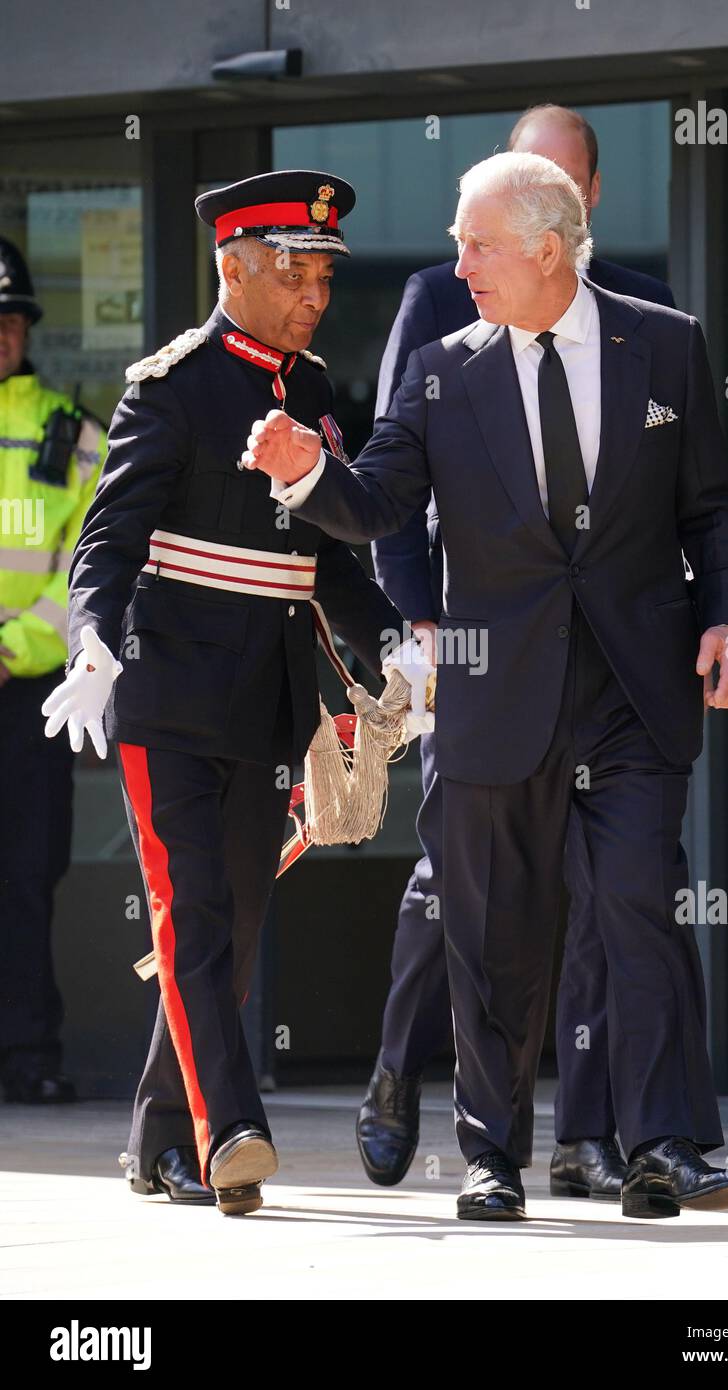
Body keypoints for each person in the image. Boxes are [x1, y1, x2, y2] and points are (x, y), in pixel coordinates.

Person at [245, 151, 728, 1221]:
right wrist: (303, 471)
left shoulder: (666, 346)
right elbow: (379, 502)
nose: (458, 262)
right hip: (495, 696)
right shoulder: (440, 369)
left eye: (476, 243)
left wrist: (725, 618)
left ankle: (664, 1143)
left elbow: (714, 507)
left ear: (548, 249)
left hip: (631, 691)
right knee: (493, 935)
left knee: (637, 910)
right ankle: (492, 1156)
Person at [42, 171, 415, 1217]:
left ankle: (160, 1135)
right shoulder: (170, 386)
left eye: (323, 276)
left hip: (263, 705)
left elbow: (328, 557)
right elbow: (108, 542)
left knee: (233, 927)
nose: (313, 294)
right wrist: (93, 643)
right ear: (233, 267)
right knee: (192, 911)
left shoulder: (314, 392)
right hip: (164, 694)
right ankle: (232, 1132)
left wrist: (389, 643)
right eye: (293, 272)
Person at [360, 103, 677, 1198]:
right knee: (456, 881)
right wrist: (419, 619)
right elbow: (389, 478)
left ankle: (585, 1133)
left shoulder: (644, 313)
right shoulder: (444, 296)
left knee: (598, 896)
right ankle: (401, 1071)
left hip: (598, 665)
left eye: (557, 179)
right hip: (478, 645)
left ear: (576, 212)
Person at [0, 237, 106, 1105]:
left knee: (29, 876)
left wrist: (10, 650)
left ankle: (29, 1051)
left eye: (10, 319)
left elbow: (85, 568)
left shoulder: (71, 435)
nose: (1, 334)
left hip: (26, 693)